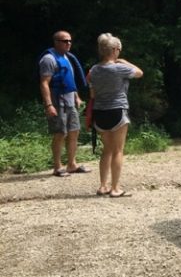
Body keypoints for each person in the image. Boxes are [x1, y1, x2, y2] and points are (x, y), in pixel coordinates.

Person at [87, 33, 143, 197]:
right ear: (114, 50)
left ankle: (103, 186)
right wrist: (125, 61)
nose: (119, 52)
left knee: (107, 150)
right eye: (119, 50)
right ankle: (115, 188)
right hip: (117, 110)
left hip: (100, 112)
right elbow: (139, 73)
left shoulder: (94, 70)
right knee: (118, 150)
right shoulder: (119, 68)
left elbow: (92, 93)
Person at [39, 30, 91, 177]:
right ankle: (57, 167)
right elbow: (44, 83)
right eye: (64, 41)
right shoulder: (49, 59)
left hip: (70, 99)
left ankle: (71, 165)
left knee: (74, 131)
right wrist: (49, 105)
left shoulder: (67, 58)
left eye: (69, 41)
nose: (68, 43)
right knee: (60, 133)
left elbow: (69, 80)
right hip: (57, 100)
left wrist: (76, 96)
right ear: (56, 42)